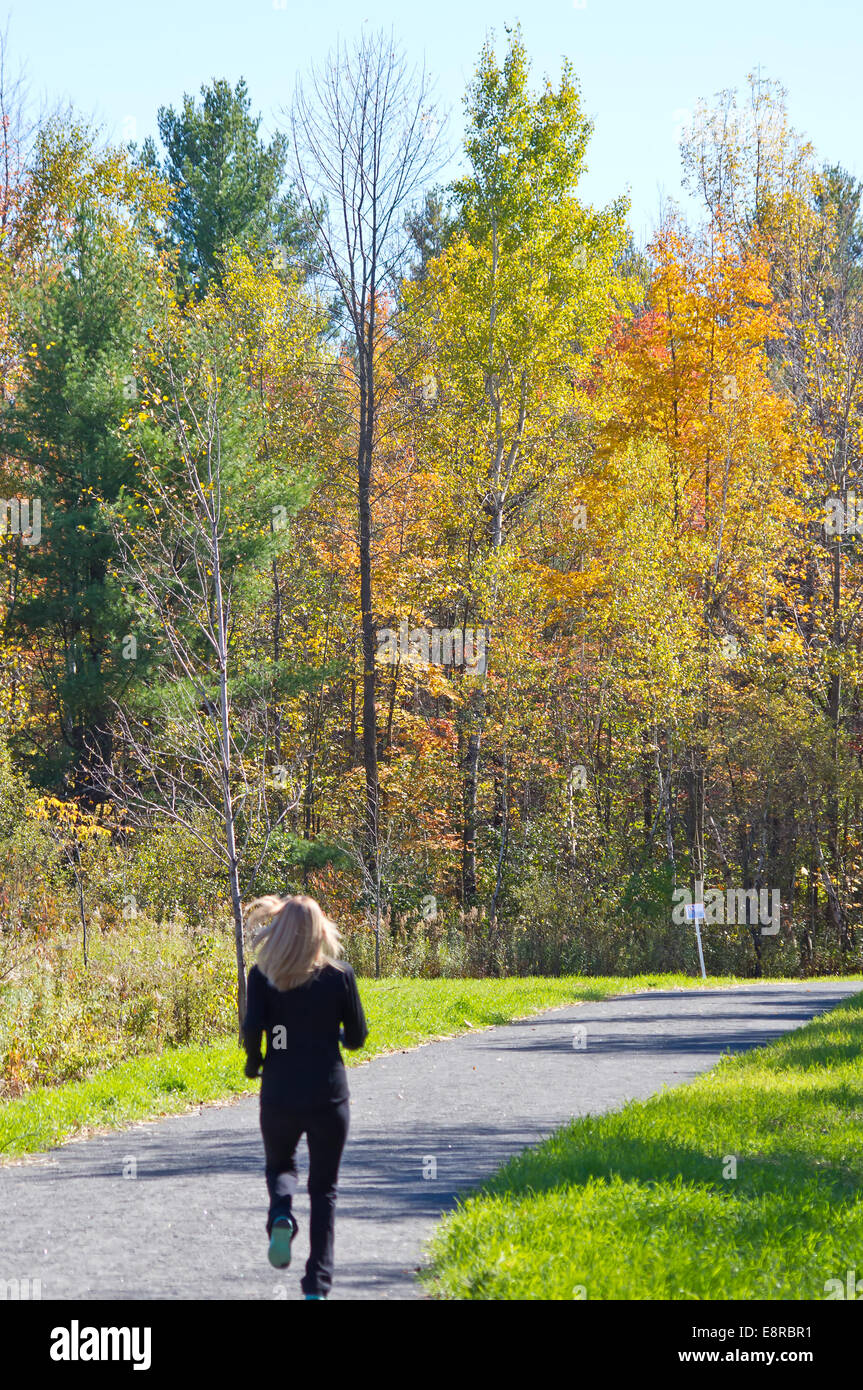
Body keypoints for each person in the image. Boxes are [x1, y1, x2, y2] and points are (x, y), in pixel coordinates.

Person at [241, 894, 368, 1301]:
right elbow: (357, 1037)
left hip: (280, 1092)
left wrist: (255, 1063)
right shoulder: (340, 976)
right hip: (328, 1096)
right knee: (324, 1190)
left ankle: (281, 1215)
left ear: (279, 930)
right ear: (319, 931)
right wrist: (337, 1035)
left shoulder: (262, 977)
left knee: (281, 1166)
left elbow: (252, 1030)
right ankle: (317, 1286)